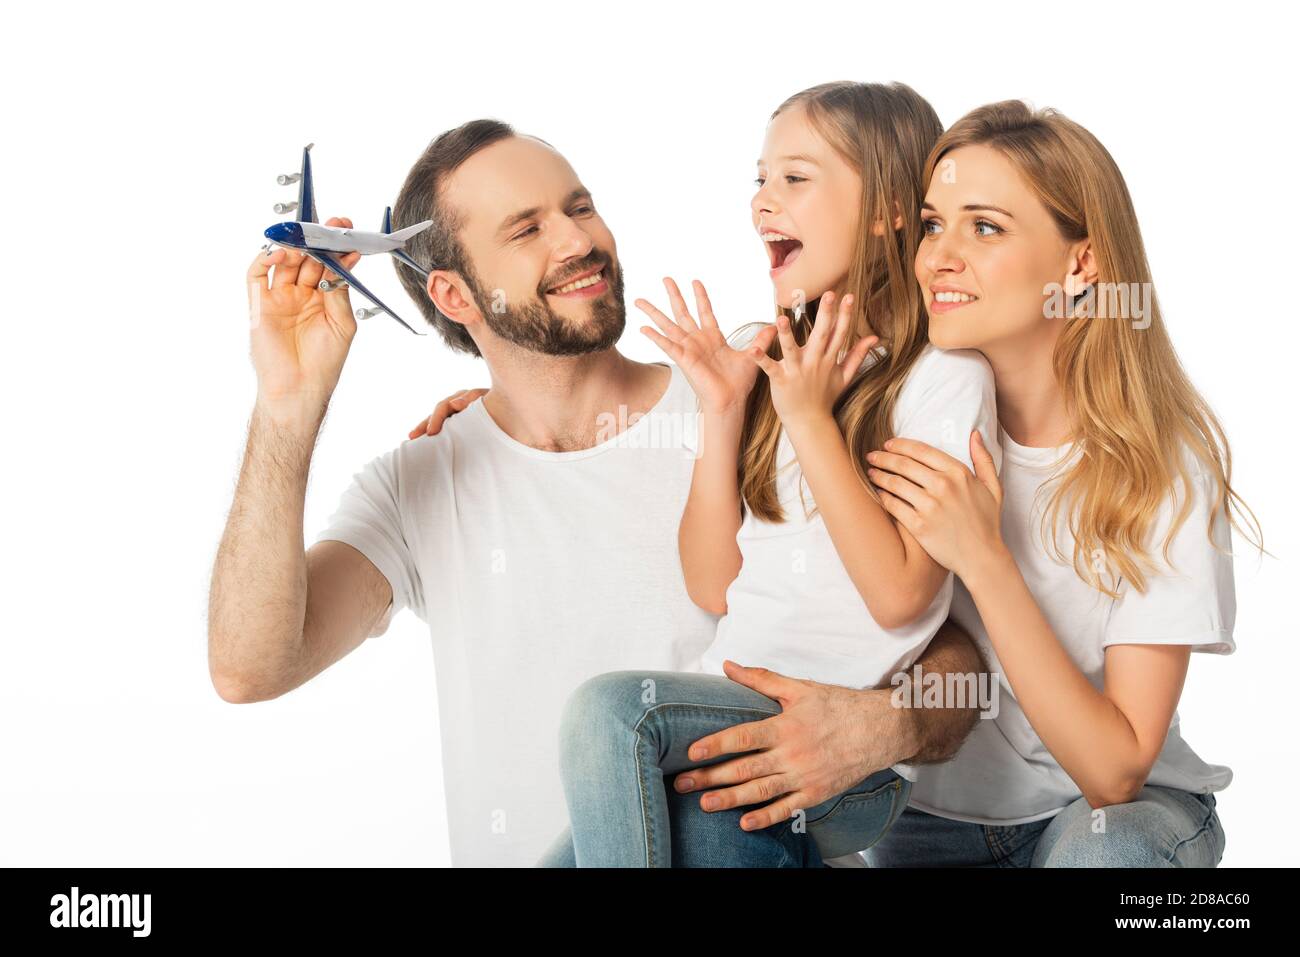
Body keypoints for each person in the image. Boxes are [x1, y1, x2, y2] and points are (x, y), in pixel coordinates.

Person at [209, 117, 987, 867]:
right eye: (527, 229)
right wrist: (287, 405)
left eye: (580, 207)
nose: (579, 240)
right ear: (453, 294)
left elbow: (949, 631)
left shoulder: (760, 382)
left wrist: (880, 726)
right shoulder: (421, 483)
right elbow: (250, 668)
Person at [536, 81, 1000, 867]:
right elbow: (713, 587)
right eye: (759, 179)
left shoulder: (941, 376)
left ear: (890, 204)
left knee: (608, 714)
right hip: (719, 709)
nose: (763, 202)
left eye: (795, 177)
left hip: (844, 752)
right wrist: (722, 412)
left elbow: (901, 598)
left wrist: (812, 419)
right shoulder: (765, 356)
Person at [862, 100, 1260, 867]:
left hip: (1112, 817)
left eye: (984, 227)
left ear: (1081, 264)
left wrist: (984, 558)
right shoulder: (903, 417)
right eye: (932, 223)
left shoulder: (1163, 465)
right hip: (929, 821)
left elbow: (1117, 772)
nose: (938, 256)